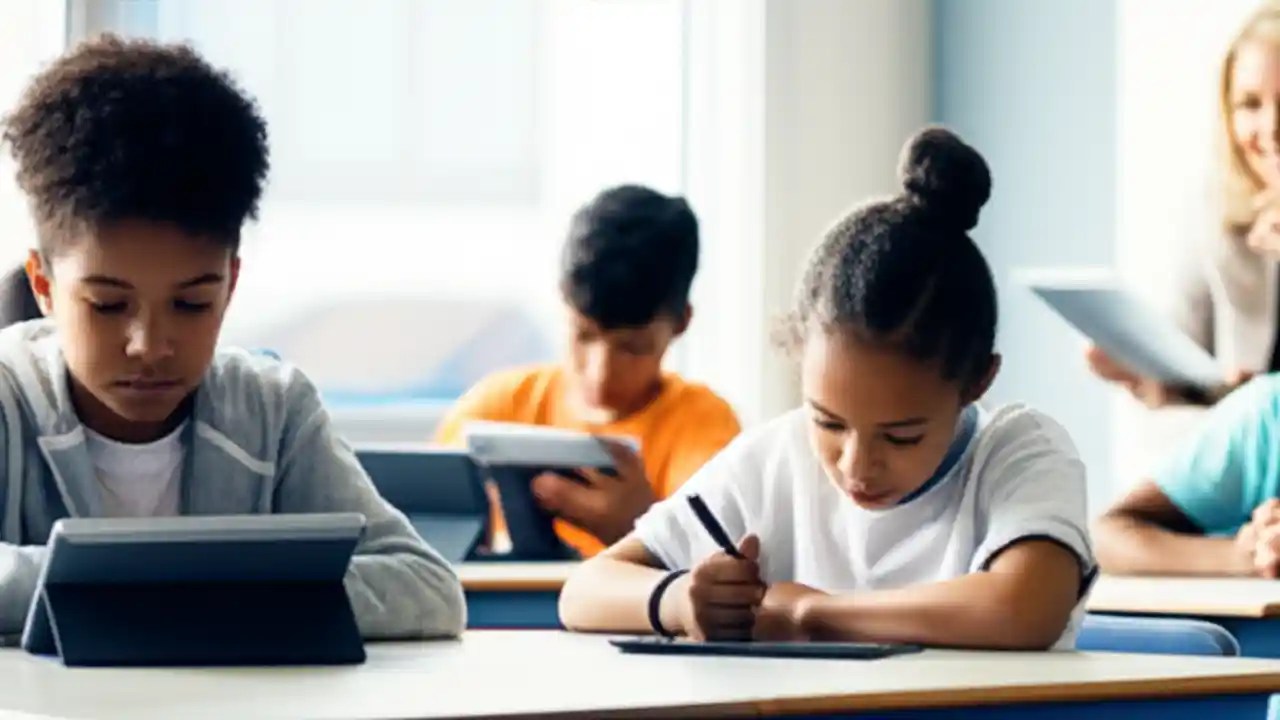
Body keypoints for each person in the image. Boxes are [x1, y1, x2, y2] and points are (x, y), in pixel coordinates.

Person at [0, 35, 465, 638]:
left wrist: (146, 591)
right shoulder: (9, 404)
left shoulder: (273, 412)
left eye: (191, 303)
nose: (149, 344)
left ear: (230, 283)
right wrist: (221, 589)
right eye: (108, 305)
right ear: (43, 284)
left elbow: (427, 589)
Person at [557, 128, 1095, 650]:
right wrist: (675, 600)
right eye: (829, 422)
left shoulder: (1020, 452)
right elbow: (584, 592)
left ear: (977, 382)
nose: (856, 466)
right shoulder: (773, 459)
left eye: (901, 436)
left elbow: (1025, 608)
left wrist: (808, 613)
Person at [434, 185, 741, 558]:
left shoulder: (702, 427)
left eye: (632, 348)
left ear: (681, 323)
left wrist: (645, 527)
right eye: (583, 335)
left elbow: (717, 570)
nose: (601, 374)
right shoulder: (495, 406)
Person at [1087, 2, 1280, 408]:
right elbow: (1192, 364)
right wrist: (1151, 375)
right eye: (1249, 104)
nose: (1270, 128)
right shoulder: (1219, 215)